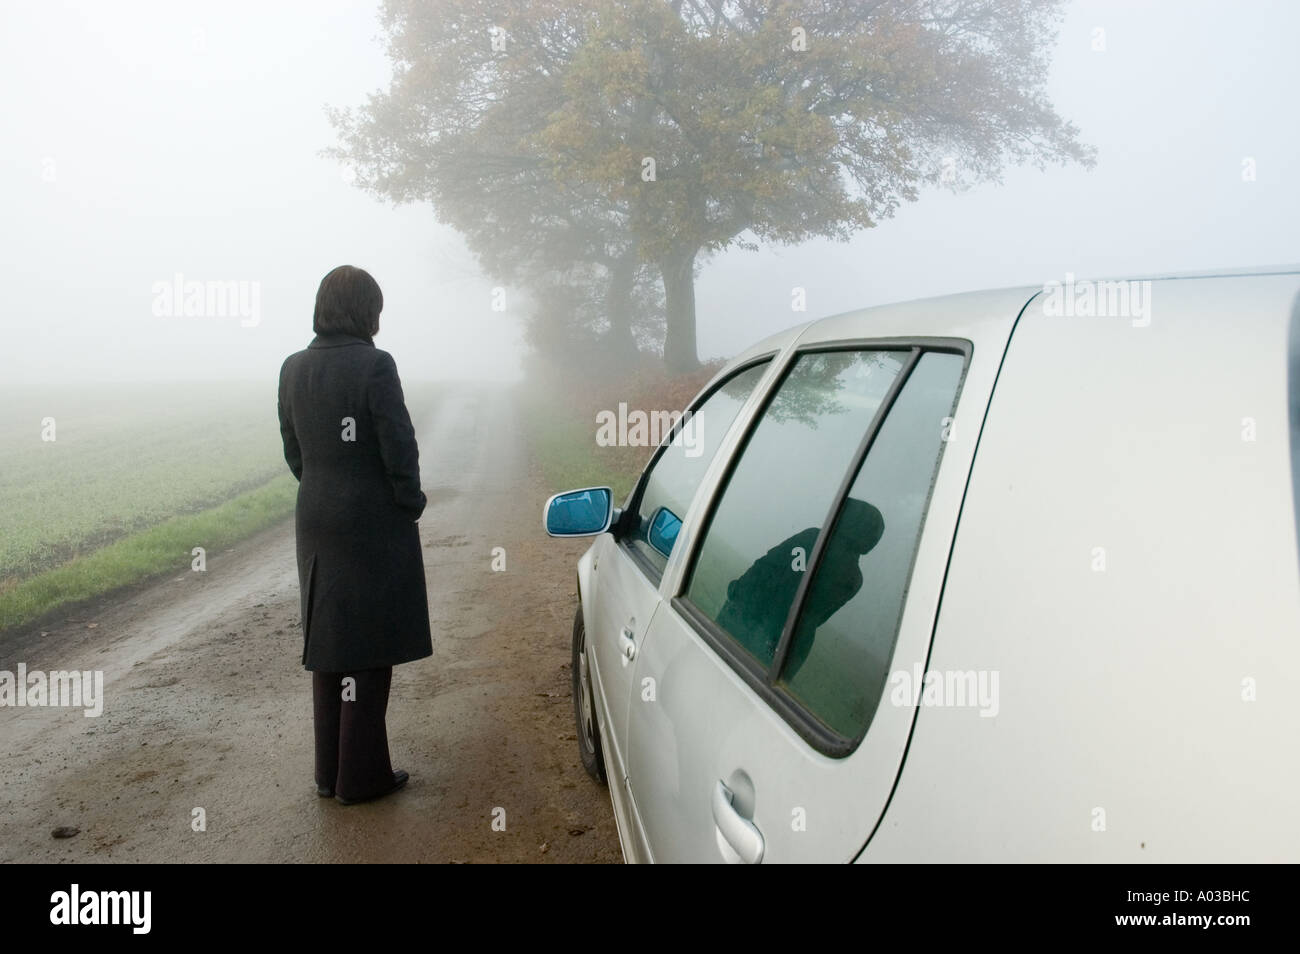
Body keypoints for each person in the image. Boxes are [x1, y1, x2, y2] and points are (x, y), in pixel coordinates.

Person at [277, 265, 432, 804]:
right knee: (369, 648)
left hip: (316, 518)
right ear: (364, 310)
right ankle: (361, 778)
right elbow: (398, 443)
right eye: (377, 310)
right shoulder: (374, 365)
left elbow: (293, 448)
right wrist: (408, 501)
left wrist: (323, 486)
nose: (380, 321)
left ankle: (330, 774)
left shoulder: (293, 368)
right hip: (370, 523)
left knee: (331, 646)